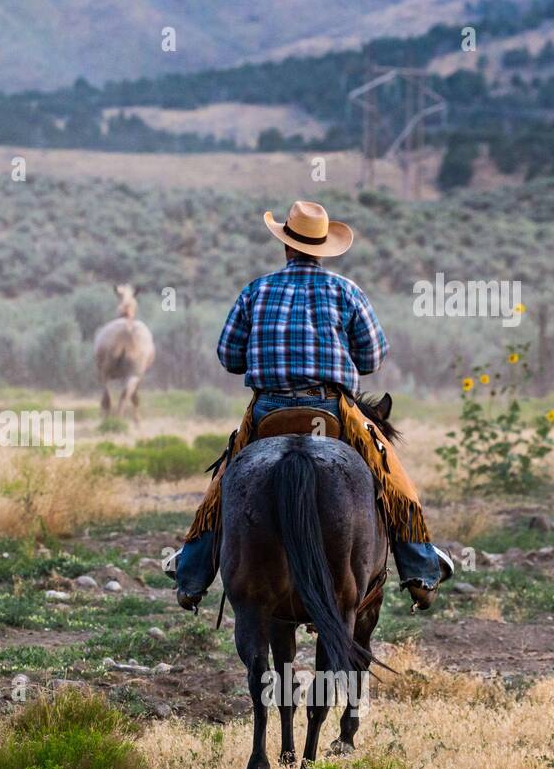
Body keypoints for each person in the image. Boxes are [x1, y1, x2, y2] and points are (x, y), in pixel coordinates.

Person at [166, 200, 453, 612]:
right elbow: (373, 359)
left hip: (268, 412)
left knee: (224, 482)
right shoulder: (347, 291)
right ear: (322, 249)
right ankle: (420, 567)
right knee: (391, 474)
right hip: (333, 411)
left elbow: (229, 358)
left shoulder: (255, 290)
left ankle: (192, 574)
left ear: (285, 246)